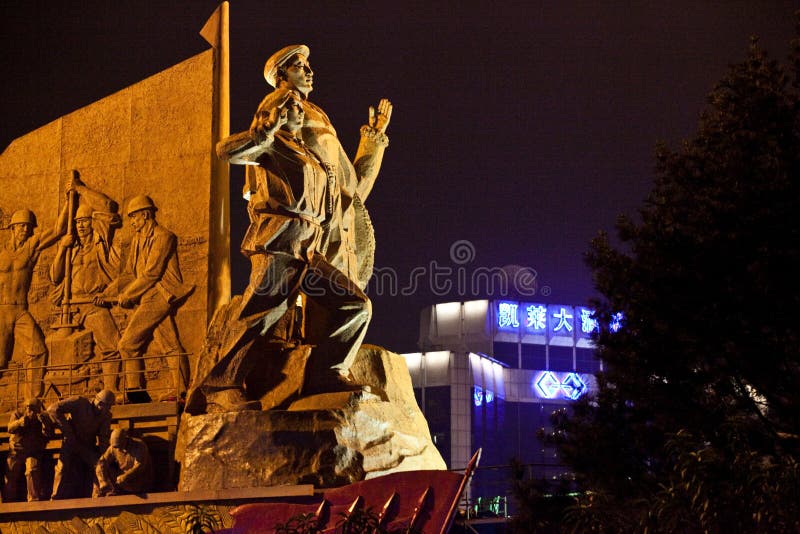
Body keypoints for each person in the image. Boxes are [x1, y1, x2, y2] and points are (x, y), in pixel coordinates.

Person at [186, 92, 371, 414]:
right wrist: (261, 133)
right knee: (261, 314)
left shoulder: (310, 156)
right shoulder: (271, 144)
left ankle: (325, 373)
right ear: (275, 114)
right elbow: (226, 151)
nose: (298, 113)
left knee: (355, 305)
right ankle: (220, 385)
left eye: (299, 108)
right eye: (289, 109)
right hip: (280, 242)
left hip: (309, 247)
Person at [96, 196, 193, 400]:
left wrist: (127, 296)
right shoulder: (138, 240)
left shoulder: (164, 237)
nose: (131, 222)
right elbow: (130, 274)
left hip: (160, 294)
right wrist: (108, 293)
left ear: (146, 215)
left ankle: (135, 392)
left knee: (128, 344)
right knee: (170, 344)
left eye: (134, 217)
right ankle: (182, 390)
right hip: (147, 295)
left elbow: (152, 273)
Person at [50, 174, 123, 392]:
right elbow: (55, 278)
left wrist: (80, 188)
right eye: (78, 222)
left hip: (93, 306)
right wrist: (62, 248)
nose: (81, 226)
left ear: (93, 223)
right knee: (64, 356)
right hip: (70, 309)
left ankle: (111, 392)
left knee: (111, 347)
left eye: (85, 222)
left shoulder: (101, 243)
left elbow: (109, 208)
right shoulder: (71, 248)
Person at [0, 205, 68, 397]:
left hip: (20, 310)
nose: (25, 230)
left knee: (38, 349)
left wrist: (67, 200)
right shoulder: (1, 252)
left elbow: (58, 229)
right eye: (21, 226)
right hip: (1, 312)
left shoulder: (31, 247)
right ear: (12, 228)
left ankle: (33, 400)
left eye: (28, 227)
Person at [48, 389, 115, 499]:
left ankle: (100, 493)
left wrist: (104, 457)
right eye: (107, 406)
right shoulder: (79, 402)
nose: (108, 410)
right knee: (62, 468)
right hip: (70, 442)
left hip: (87, 445)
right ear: (100, 403)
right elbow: (53, 409)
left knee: (99, 464)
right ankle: (55, 496)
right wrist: (67, 431)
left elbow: (103, 438)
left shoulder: (106, 416)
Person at [4, 398, 56, 501]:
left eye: (33, 408)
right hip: (17, 450)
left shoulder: (43, 416)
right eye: (28, 407)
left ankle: (33, 499)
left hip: (33, 451)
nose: (30, 411)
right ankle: (8, 499)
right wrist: (19, 422)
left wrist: (45, 425)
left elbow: (50, 434)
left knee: (33, 469)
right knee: (11, 471)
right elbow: (9, 428)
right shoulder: (18, 414)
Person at [95, 428, 153, 496]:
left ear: (126, 439)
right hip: (122, 481)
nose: (118, 449)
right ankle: (112, 490)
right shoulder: (114, 448)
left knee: (124, 479)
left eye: (120, 445)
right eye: (115, 446)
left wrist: (126, 476)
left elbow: (140, 466)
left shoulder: (139, 446)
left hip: (139, 481)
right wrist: (102, 480)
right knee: (102, 466)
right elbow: (102, 462)